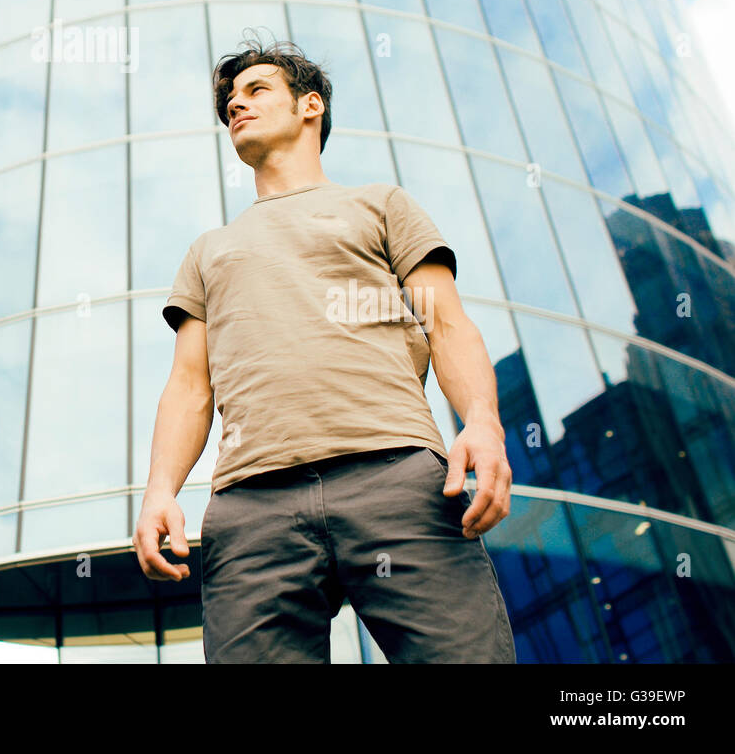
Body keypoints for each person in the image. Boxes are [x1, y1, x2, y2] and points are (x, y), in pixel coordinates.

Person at [132, 33, 516, 663]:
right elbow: (189, 386)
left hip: (396, 479)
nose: (237, 106)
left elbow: (447, 324)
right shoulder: (207, 251)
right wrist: (159, 491)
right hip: (251, 507)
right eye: (231, 100)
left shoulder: (381, 205)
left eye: (257, 90)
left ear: (310, 106)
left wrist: (482, 420)